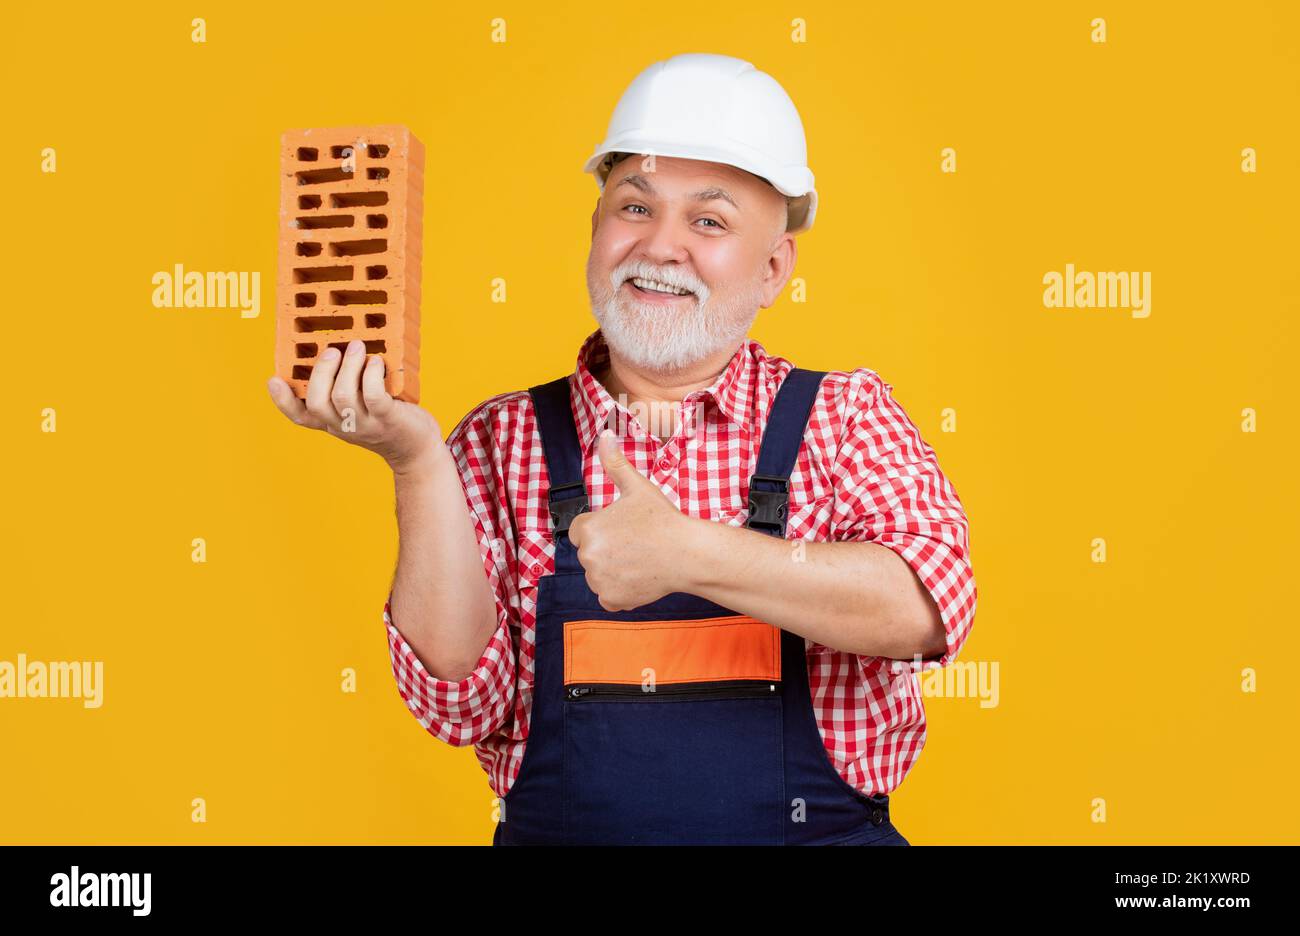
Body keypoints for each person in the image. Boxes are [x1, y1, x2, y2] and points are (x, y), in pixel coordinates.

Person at [267, 53, 977, 845]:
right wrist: (415, 460)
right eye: (634, 207)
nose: (660, 246)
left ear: (774, 268)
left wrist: (690, 555)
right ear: (597, 228)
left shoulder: (841, 418)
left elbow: (925, 607)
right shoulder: (501, 443)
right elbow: (458, 704)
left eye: (708, 221)